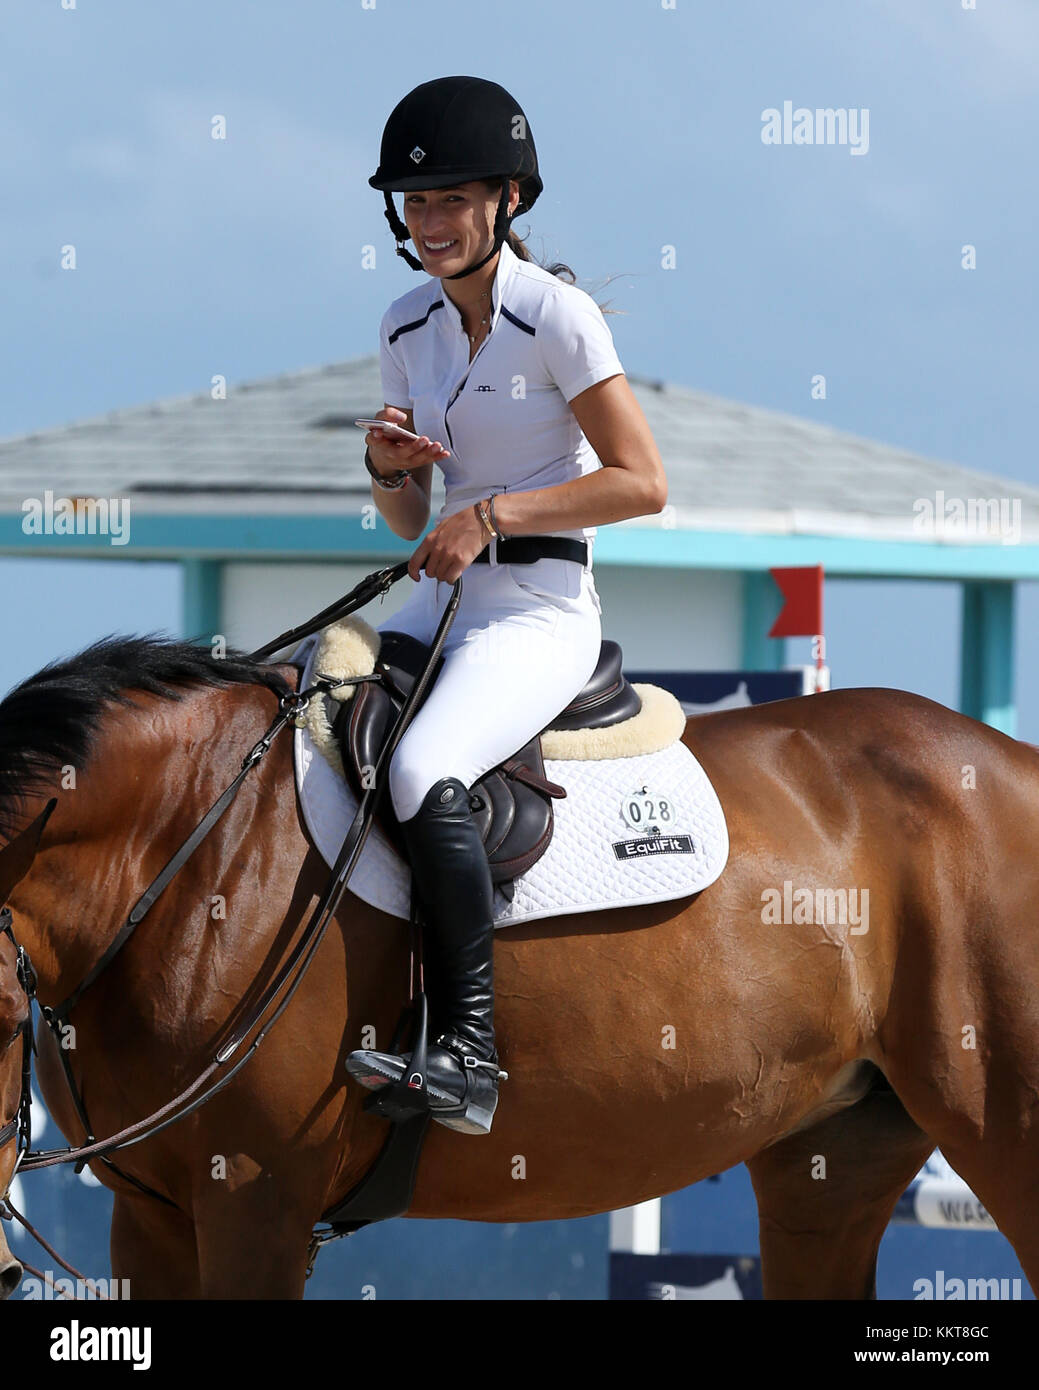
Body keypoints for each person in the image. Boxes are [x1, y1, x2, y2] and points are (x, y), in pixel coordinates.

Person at [344, 75, 667, 1135]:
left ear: (508, 202)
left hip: (537, 608)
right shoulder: (405, 323)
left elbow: (642, 482)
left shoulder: (555, 316)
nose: (430, 223)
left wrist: (488, 516)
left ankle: (469, 1057)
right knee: (305, 729)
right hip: (437, 604)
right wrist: (387, 465)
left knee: (422, 766)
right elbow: (406, 522)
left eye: (452, 201)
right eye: (415, 204)